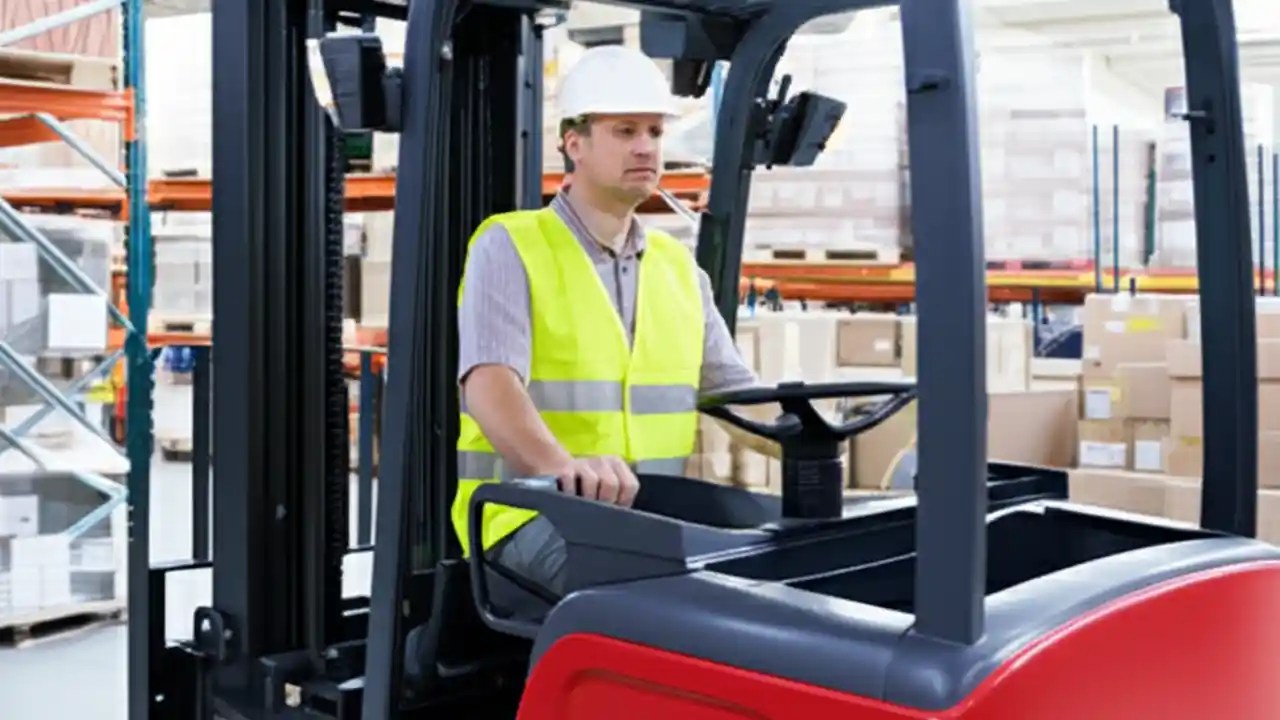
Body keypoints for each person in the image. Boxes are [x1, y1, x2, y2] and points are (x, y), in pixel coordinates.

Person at [451, 44, 760, 608]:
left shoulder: (678, 268)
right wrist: (564, 472)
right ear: (575, 144)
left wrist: (820, 437)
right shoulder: (511, 245)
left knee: (772, 571)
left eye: (654, 132)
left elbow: (739, 397)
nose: (646, 147)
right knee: (683, 604)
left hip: (648, 514)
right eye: (624, 131)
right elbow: (490, 388)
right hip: (532, 516)